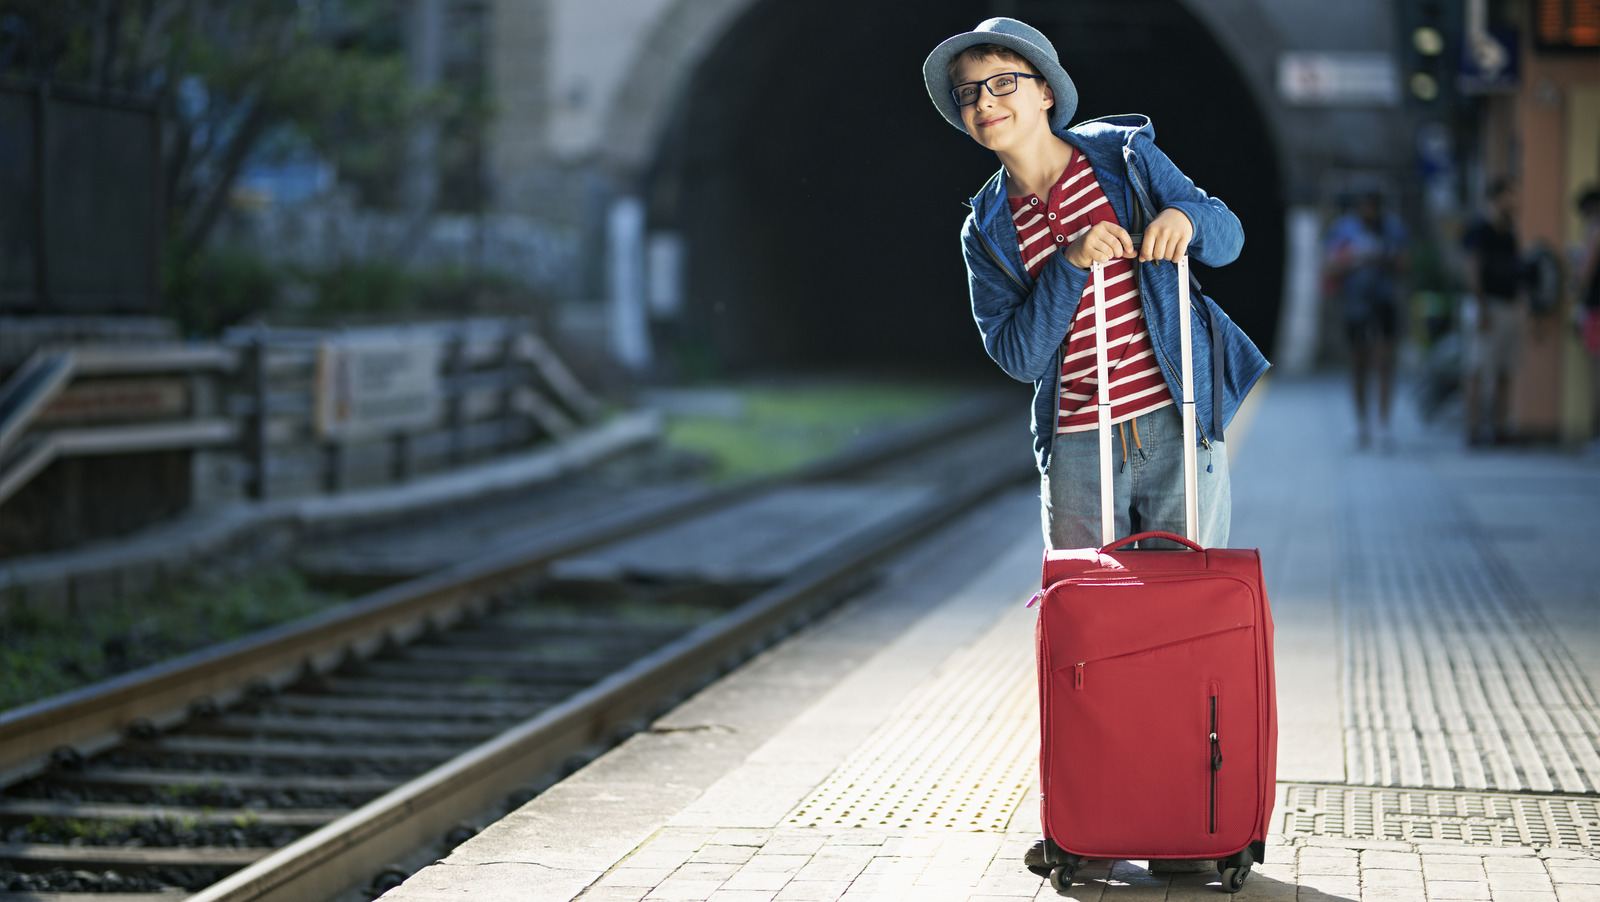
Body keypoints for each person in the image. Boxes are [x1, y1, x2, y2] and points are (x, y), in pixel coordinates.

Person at [922, 17, 1268, 873]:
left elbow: (1226, 236)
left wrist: (1184, 216)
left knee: (1188, 628)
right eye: (970, 93)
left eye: (1002, 82)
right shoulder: (987, 228)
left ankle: (1192, 821)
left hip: (1177, 425)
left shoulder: (1122, 158)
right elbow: (1015, 354)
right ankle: (1097, 815)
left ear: (1044, 90)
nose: (985, 102)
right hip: (1078, 443)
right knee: (1090, 640)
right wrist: (1071, 261)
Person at [1324, 191, 1408, 450]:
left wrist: (1385, 258)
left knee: (1384, 363)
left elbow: (1406, 265)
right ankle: (1361, 423)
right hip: (1355, 304)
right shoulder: (1343, 230)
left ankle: (1383, 424)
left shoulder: (1393, 229)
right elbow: (1329, 266)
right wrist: (1355, 260)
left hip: (1384, 303)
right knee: (1358, 364)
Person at [1461, 178, 1525, 446]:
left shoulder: (1510, 230)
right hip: (1487, 306)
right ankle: (1474, 429)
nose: (1515, 201)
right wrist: (1482, 306)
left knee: (1504, 370)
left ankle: (1500, 428)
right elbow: (1472, 269)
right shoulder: (1480, 228)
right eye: (1510, 196)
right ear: (1497, 197)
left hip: (1508, 305)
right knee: (1477, 367)